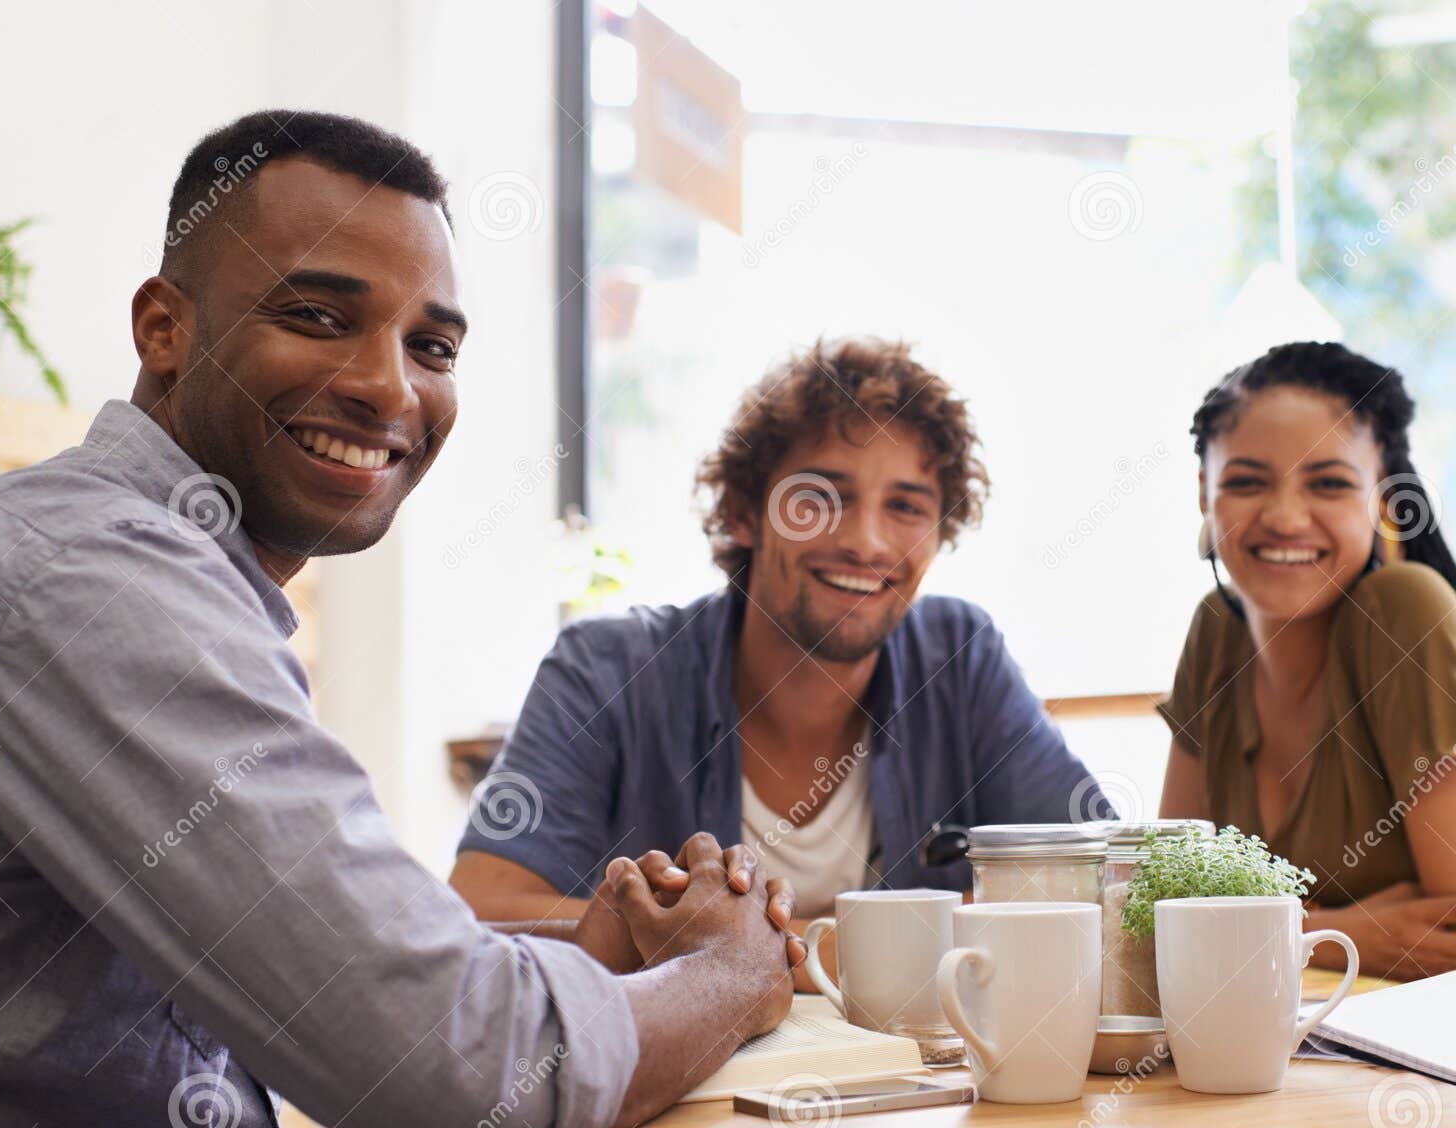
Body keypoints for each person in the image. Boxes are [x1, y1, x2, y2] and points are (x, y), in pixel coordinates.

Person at [0, 110, 798, 1128]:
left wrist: (592, 956)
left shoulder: (141, 565)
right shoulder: (95, 582)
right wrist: (730, 974)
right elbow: (454, 1082)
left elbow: (370, 965)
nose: (386, 385)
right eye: (316, 316)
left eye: (432, 345)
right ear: (163, 327)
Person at [451, 336, 1109, 952]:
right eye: (821, 497)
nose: (867, 542)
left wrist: (742, 944)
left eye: (906, 507)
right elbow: (483, 909)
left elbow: (1103, 882)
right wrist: (777, 948)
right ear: (744, 511)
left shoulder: (961, 660)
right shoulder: (607, 669)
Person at [1158, 340, 1456, 979]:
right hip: (1271, 1032)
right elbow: (1162, 909)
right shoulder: (1215, 631)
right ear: (1204, 492)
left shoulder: (1404, 609)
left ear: (1385, 499)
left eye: (1329, 483)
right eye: (1246, 481)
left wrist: (1264, 928)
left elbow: (1450, 931)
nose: (1286, 517)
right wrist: (1341, 931)